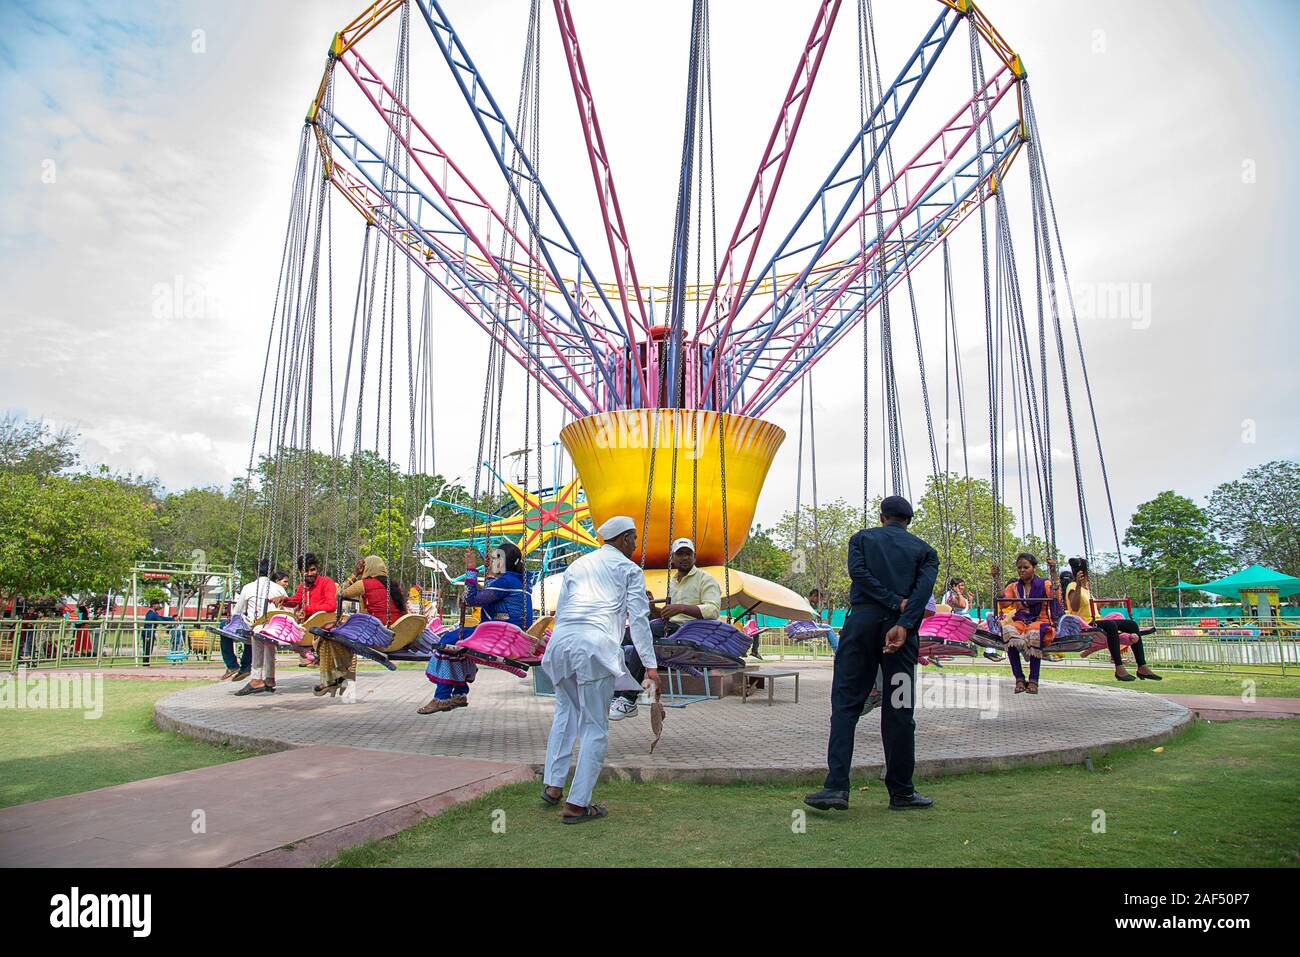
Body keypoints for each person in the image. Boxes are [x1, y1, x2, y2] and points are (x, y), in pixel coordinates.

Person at [805, 495, 939, 813]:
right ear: (909, 521)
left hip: (861, 625)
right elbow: (920, 595)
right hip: (902, 633)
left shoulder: (861, 539)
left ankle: (837, 786)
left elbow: (859, 575)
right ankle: (902, 793)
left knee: (846, 705)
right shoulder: (925, 552)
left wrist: (890, 601)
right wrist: (903, 620)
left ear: (882, 516)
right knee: (900, 709)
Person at [540, 516, 659, 823]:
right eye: (633, 538)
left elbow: (563, 610)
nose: (635, 544)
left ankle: (553, 786)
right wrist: (651, 666)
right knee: (594, 726)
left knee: (566, 712)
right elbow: (641, 620)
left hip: (561, 645)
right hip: (594, 647)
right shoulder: (630, 570)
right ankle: (577, 804)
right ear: (622, 539)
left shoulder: (578, 565)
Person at [419, 541, 533, 715]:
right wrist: (489, 573)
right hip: (511, 634)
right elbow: (491, 595)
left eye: (494, 559)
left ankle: (442, 697)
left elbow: (470, 599)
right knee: (460, 644)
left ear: (501, 563)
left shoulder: (506, 581)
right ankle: (459, 694)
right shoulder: (519, 581)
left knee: (447, 641)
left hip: (501, 635)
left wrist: (471, 569)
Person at [610, 538, 718, 720]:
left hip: (690, 631)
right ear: (672, 559)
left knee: (644, 632)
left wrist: (681, 607)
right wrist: (653, 609)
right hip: (671, 628)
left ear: (694, 557)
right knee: (624, 637)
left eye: (688, 554)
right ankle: (615, 693)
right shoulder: (674, 582)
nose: (684, 558)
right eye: (680, 554)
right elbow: (669, 616)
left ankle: (628, 698)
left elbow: (713, 610)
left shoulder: (705, 579)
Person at [313, 555, 407, 696]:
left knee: (328, 636)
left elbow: (339, 594)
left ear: (366, 568)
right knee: (339, 637)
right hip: (397, 633)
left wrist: (354, 574)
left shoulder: (365, 584)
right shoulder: (393, 586)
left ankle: (332, 679)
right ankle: (344, 680)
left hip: (377, 634)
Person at [1064, 557, 1160, 682]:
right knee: (1111, 625)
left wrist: (1102, 604)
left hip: (1095, 620)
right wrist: (1077, 586)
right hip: (1083, 623)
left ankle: (1142, 666)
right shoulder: (1072, 586)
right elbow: (1075, 607)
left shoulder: (1087, 589)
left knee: (1131, 625)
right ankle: (1119, 668)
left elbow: (1090, 608)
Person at [995, 552, 1058, 695]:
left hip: (1040, 620)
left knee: (1034, 634)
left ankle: (1034, 680)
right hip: (1021, 621)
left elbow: (1055, 597)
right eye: (1019, 568)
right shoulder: (1014, 587)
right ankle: (1019, 678)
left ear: (1034, 568)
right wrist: (997, 579)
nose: (1022, 570)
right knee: (1007, 631)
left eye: (1025, 567)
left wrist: (1053, 573)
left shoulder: (1045, 583)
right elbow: (1004, 603)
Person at [231, 562, 288, 695]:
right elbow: (288, 608)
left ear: (256, 572)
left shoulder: (248, 587)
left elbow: (237, 611)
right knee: (269, 646)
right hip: (276, 628)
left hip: (258, 627)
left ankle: (256, 679)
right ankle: (269, 679)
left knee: (257, 637)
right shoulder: (279, 589)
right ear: (272, 572)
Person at [275, 553, 338, 667]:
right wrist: (283, 600)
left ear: (317, 569)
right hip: (307, 628)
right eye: (306, 571)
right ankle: (310, 656)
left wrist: (307, 610)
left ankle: (311, 657)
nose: (310, 574)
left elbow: (331, 605)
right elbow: (296, 600)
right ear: (300, 572)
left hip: (322, 626)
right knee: (284, 635)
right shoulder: (303, 586)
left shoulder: (326, 582)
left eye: (312, 570)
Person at [140, 599, 174, 667]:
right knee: (147, 649)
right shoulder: (151, 614)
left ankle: (146, 663)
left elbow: (161, 618)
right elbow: (161, 620)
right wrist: (172, 620)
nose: (159, 606)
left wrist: (172, 619)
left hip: (150, 633)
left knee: (148, 649)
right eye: (158, 604)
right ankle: (145, 664)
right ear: (154, 605)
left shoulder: (154, 613)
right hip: (148, 633)